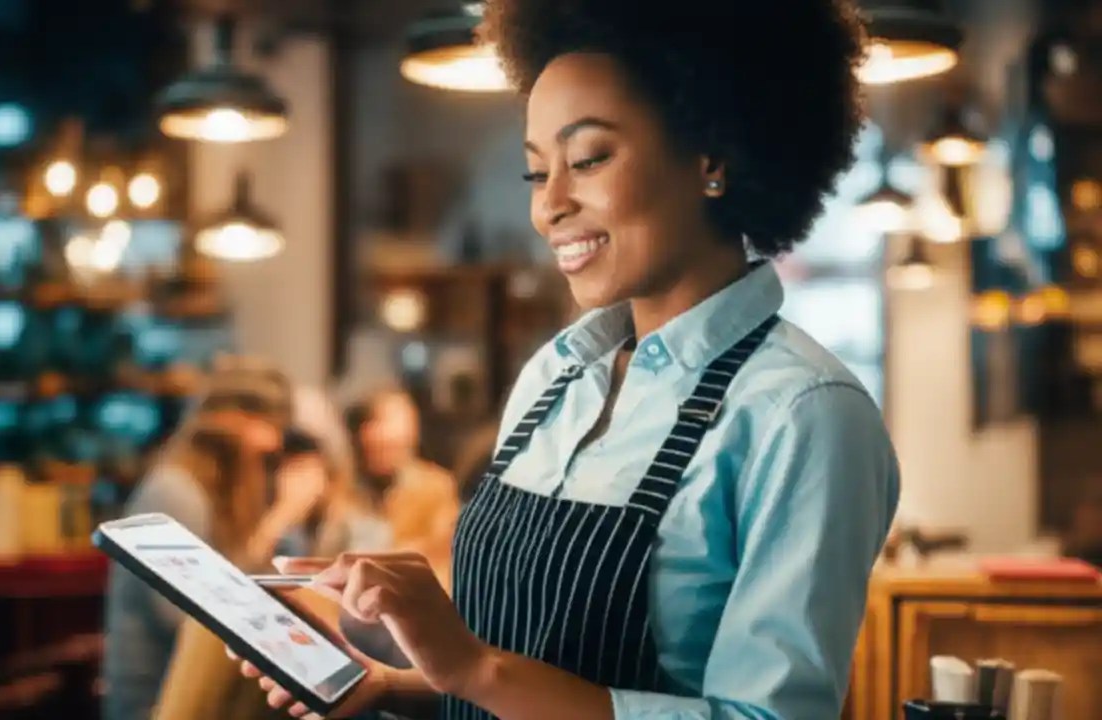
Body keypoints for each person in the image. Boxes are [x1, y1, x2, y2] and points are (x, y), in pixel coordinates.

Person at [236, 1, 899, 719]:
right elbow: (524, 672)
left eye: (587, 160)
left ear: (713, 156)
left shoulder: (802, 416)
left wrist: (474, 667)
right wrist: (393, 683)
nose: (548, 205)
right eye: (534, 173)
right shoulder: (556, 376)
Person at [103, 359, 326, 720]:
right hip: (160, 707)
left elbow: (288, 591)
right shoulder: (174, 493)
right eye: (269, 428)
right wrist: (280, 518)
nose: (273, 447)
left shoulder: (229, 500)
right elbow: (203, 630)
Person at [313, 388, 458, 579]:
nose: (381, 437)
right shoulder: (341, 484)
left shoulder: (434, 486)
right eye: (374, 427)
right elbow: (324, 552)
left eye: (394, 443)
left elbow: (439, 551)